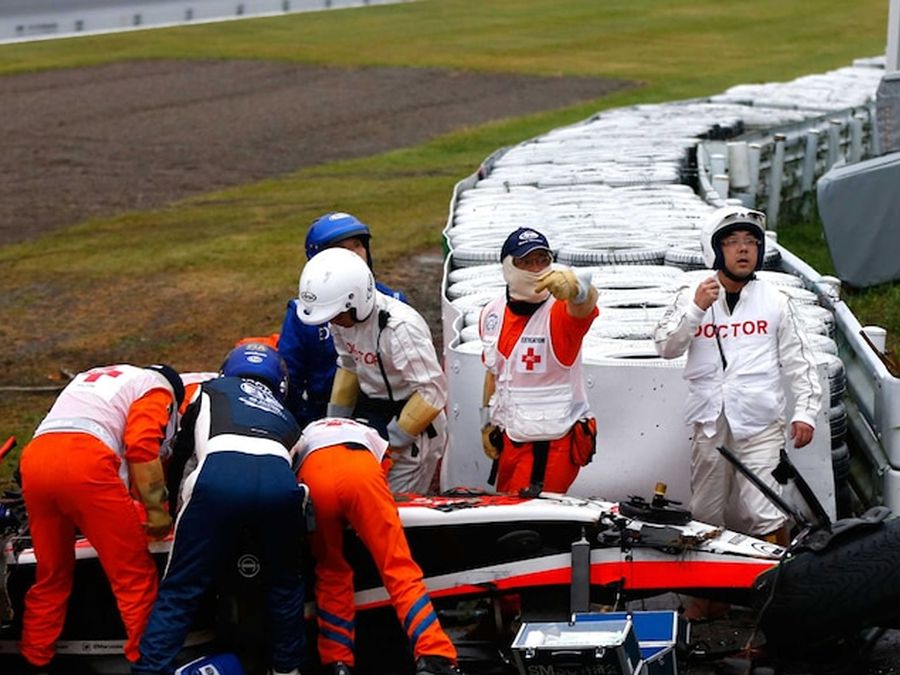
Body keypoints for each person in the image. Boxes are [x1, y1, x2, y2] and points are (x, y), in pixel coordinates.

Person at [653, 205, 823, 546]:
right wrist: (696, 309)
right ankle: (709, 581)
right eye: (732, 241)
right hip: (709, 422)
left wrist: (806, 412)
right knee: (704, 512)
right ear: (715, 249)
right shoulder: (690, 296)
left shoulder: (776, 300)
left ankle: (777, 576)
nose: (743, 249)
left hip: (761, 423)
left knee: (767, 510)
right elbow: (665, 346)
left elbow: (801, 360)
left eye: (751, 241)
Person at [133, 344, 307, 675]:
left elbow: (183, 453)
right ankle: (287, 669)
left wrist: (171, 510)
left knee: (181, 589)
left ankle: (151, 670)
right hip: (280, 487)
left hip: (217, 478)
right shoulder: (288, 417)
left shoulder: (209, 390)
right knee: (285, 585)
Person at [18, 363, 184, 672]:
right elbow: (142, 445)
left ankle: (34, 659)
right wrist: (156, 510)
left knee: (51, 574)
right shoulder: (156, 388)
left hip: (36, 460)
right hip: (86, 463)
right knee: (133, 576)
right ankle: (148, 662)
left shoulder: (96, 378)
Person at [294, 417, 462, 675]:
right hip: (361, 470)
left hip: (314, 474)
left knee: (330, 572)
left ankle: (337, 662)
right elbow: (385, 471)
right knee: (398, 567)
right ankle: (433, 654)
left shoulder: (306, 431)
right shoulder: (371, 432)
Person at [297, 247, 446, 494]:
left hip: (413, 429)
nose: (332, 322)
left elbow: (432, 392)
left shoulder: (400, 329)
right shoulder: (342, 320)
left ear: (356, 300)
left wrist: (391, 443)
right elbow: (349, 365)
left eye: (336, 315)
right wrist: (334, 427)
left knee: (395, 503)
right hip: (376, 416)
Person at [478, 227, 599, 496]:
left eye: (542, 260)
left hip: (550, 446)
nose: (535, 269)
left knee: (530, 518)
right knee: (505, 510)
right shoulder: (490, 313)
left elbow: (586, 306)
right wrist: (486, 422)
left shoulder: (560, 311)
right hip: (509, 439)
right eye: (526, 262)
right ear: (508, 267)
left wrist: (578, 290)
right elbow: (493, 371)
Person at [278, 212, 407, 428]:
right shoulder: (303, 315)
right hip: (321, 414)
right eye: (342, 249)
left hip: (385, 415)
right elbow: (290, 377)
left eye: (358, 245)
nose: (354, 254)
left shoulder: (394, 305)